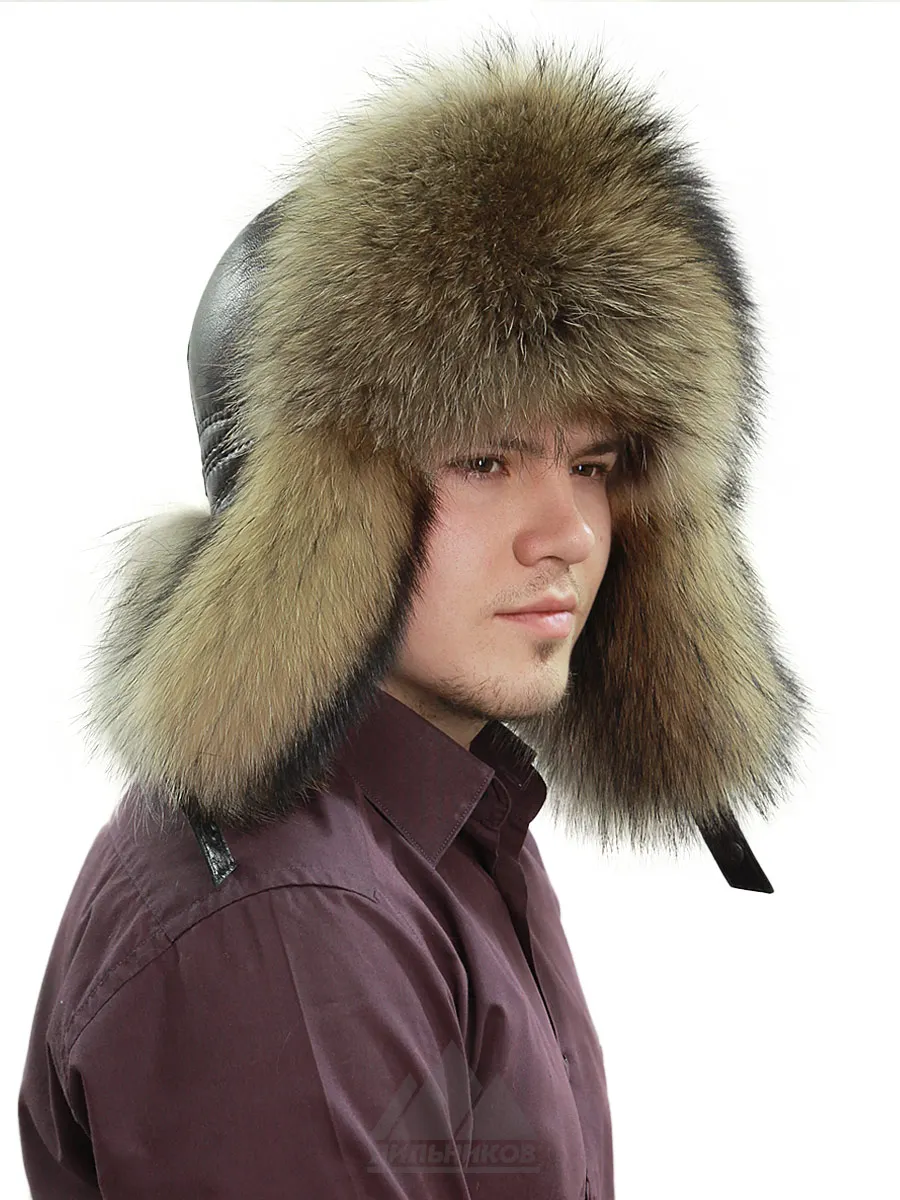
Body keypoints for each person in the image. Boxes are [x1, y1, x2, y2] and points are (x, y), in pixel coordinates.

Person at [18, 31, 812, 1200]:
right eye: (486, 460)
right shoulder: (291, 931)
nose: (569, 532)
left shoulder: (448, 832)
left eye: (593, 465)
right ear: (312, 528)